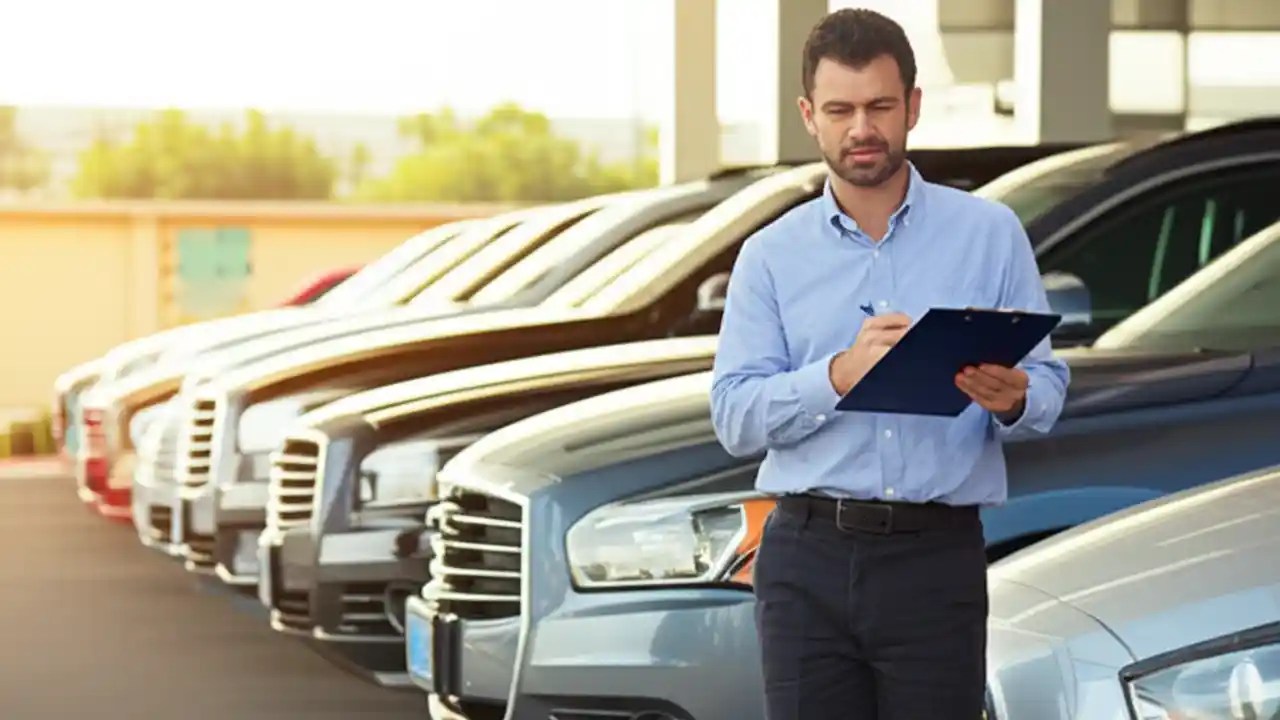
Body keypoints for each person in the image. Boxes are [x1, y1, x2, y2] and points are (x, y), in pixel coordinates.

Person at [709, 8, 1070, 720]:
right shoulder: (770, 255)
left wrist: (1014, 397)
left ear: (913, 106)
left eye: (879, 105)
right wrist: (838, 374)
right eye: (839, 109)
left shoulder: (989, 233)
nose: (861, 128)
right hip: (806, 561)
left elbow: (1051, 388)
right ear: (809, 116)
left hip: (936, 561)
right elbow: (734, 417)